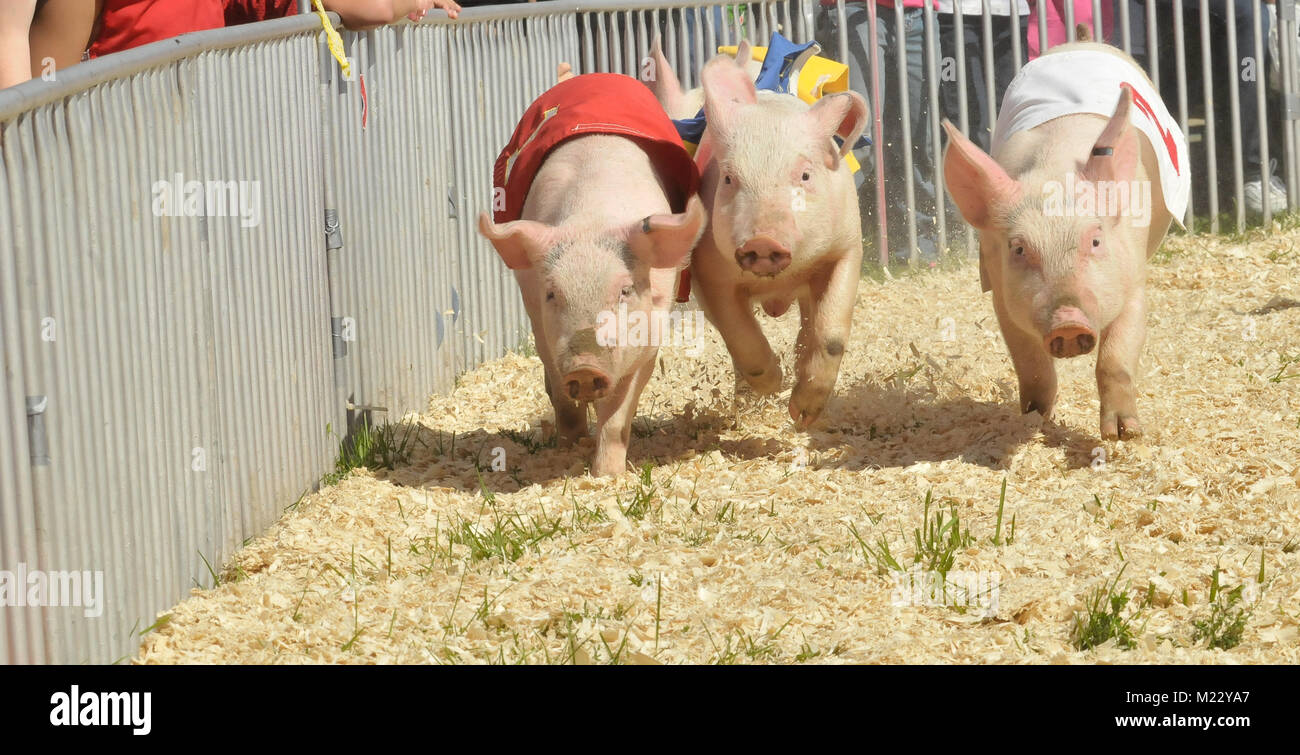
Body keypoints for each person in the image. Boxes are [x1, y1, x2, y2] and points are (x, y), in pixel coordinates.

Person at [818, 0, 943, 266]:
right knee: (858, 141)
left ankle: (916, 246)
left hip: (916, 11)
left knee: (919, 137)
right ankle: (842, 251)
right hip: (855, 11)